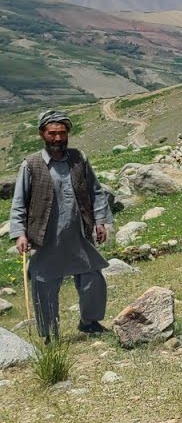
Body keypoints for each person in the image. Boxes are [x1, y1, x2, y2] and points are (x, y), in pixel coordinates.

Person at [7, 110, 113, 343]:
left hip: (78, 235)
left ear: (68, 134)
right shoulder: (31, 165)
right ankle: (49, 335)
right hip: (46, 238)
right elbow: (19, 203)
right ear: (42, 134)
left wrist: (100, 221)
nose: (57, 138)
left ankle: (90, 322)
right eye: (52, 133)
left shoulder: (79, 159)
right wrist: (19, 234)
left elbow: (95, 191)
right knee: (44, 285)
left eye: (62, 133)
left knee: (92, 279)